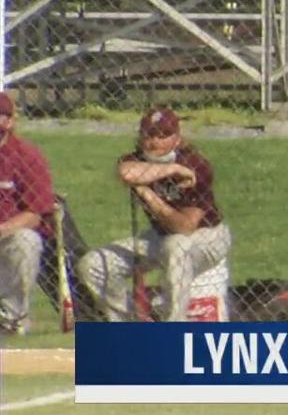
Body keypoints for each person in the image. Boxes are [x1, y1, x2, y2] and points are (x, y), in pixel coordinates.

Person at [78, 107, 232, 321]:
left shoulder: (195, 164)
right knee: (93, 264)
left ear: (177, 138)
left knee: (177, 245)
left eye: (163, 136)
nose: (155, 142)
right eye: (150, 135)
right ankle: (133, 325)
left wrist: (147, 193)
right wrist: (172, 170)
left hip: (206, 238)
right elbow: (126, 172)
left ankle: (173, 329)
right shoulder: (136, 159)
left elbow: (185, 227)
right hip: (161, 237)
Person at [0, 92, 56, 335]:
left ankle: (12, 321)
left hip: (8, 238)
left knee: (27, 240)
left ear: (10, 121)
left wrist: (1, 230)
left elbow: (35, 214)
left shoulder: (26, 156)